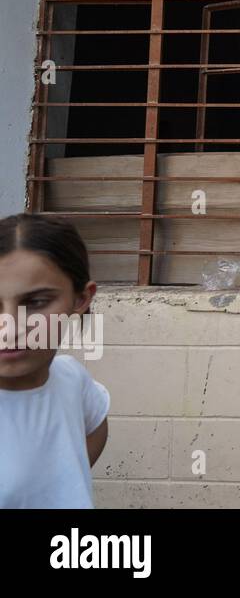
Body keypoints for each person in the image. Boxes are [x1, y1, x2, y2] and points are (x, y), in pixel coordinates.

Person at [0, 213, 110, 508]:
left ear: (81, 299)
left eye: (35, 303)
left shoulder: (71, 378)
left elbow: (96, 422)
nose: (10, 327)